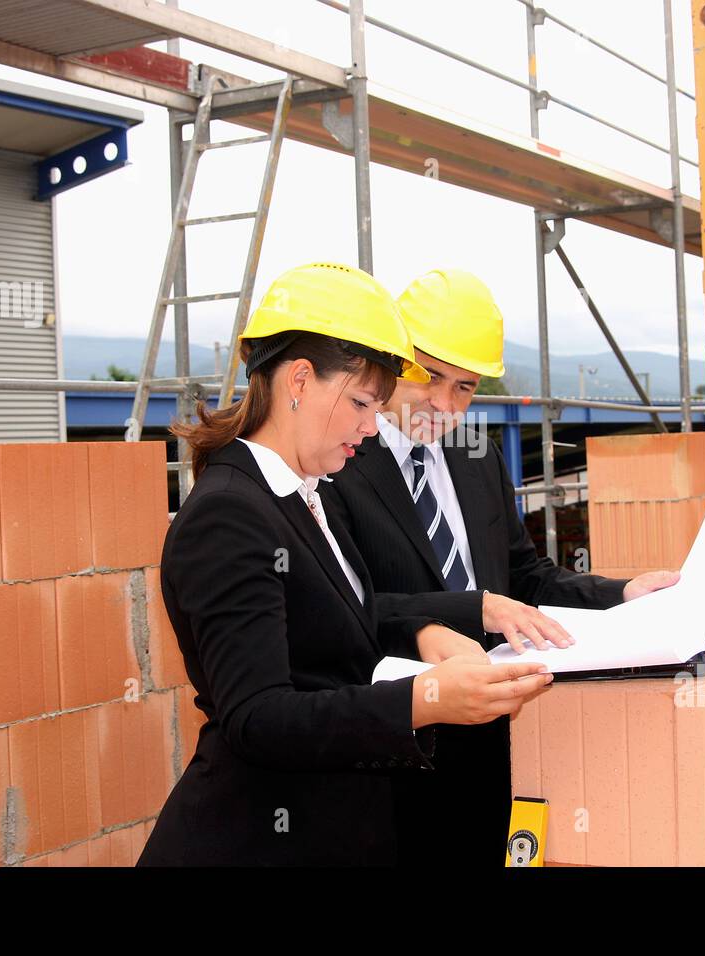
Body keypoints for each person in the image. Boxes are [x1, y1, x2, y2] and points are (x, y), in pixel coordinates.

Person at [136, 262, 553, 866]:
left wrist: (424, 631)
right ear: (299, 380)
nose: (370, 426)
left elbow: (334, 627)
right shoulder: (228, 515)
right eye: (360, 402)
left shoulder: (305, 495)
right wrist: (426, 698)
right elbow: (259, 717)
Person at [320, 268, 680, 866]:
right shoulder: (338, 463)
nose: (444, 402)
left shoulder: (475, 454)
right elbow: (347, 609)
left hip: (496, 736)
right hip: (397, 753)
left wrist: (623, 592)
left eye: (464, 387)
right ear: (389, 363)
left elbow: (525, 575)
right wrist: (473, 608)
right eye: (429, 375)